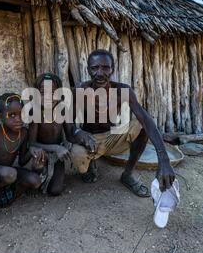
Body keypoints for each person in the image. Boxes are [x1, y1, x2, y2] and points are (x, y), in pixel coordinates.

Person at [69, 49, 176, 196]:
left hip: (113, 138)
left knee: (141, 125)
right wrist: (78, 132)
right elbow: (68, 123)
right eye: (94, 68)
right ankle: (89, 165)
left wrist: (164, 160)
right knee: (77, 156)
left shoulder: (122, 91)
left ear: (112, 69)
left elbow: (146, 119)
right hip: (90, 141)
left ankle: (128, 174)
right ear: (88, 69)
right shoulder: (81, 90)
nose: (100, 73)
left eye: (105, 67)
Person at [0, 93, 46, 207]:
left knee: (35, 180)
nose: (18, 119)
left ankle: (10, 193)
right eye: (11, 115)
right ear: (1, 116)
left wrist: (32, 152)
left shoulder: (23, 132)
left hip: (8, 172)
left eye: (21, 114)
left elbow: (22, 161)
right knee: (10, 174)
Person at [28, 73, 77, 196]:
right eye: (43, 92)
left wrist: (81, 135)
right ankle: (39, 175)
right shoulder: (35, 111)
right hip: (43, 152)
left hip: (58, 154)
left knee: (55, 190)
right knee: (37, 165)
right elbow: (32, 143)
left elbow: (70, 134)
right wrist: (56, 148)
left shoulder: (62, 109)